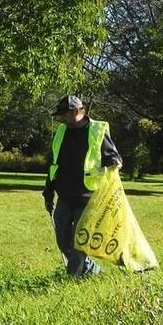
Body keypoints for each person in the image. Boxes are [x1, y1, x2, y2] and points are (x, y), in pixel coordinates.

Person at [42, 95, 122, 276]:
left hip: (88, 199)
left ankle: (72, 280)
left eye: (64, 114)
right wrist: (48, 192)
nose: (61, 118)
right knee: (63, 242)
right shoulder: (61, 132)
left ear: (76, 111)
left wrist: (115, 162)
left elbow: (113, 156)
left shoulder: (97, 130)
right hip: (64, 198)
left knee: (79, 243)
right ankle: (93, 271)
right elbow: (53, 164)